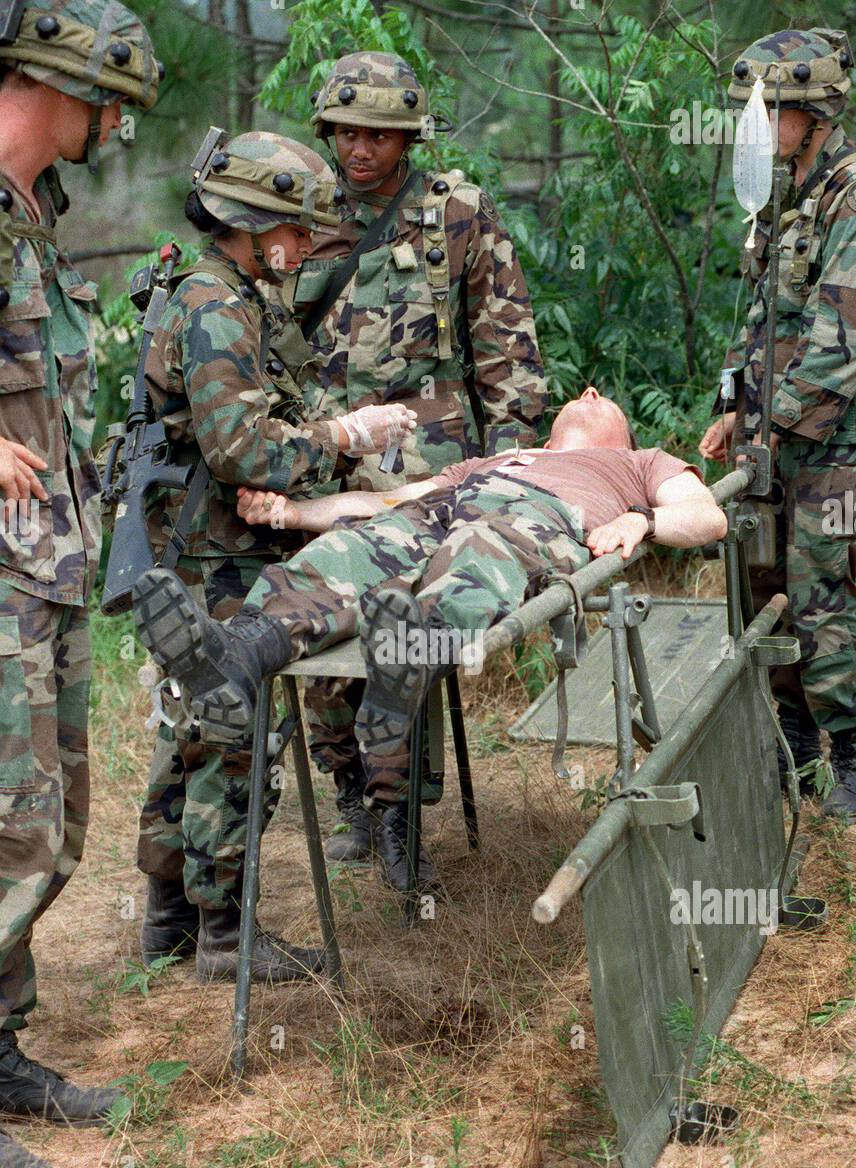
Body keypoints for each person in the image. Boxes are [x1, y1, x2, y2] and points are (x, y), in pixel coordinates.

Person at [130, 389, 727, 879]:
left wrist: (639, 519)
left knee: (476, 558)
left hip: (530, 521)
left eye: (604, 399)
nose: (591, 391)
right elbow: (390, 498)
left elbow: (708, 516)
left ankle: (410, 654)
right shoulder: (499, 458)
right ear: (547, 439)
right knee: (344, 552)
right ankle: (237, 654)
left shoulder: (639, 463)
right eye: (582, 393)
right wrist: (289, 514)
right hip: (435, 512)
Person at [132, 129, 416, 981]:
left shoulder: (232, 292)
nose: (302, 248)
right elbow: (242, 452)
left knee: (191, 729)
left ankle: (170, 922)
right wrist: (341, 435)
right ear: (247, 222)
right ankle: (224, 934)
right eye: (290, 230)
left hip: (208, 545)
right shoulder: (216, 306)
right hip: (215, 557)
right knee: (230, 732)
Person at [292, 50, 549, 876]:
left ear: (408, 137)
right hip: (323, 457)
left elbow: (505, 347)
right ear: (325, 130)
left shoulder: (455, 215)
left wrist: (514, 466)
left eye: (379, 134)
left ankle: (397, 809)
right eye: (346, 132)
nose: (360, 149)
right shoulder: (293, 209)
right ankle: (348, 796)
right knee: (322, 632)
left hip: (428, 461)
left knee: (406, 636)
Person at [0, 0, 160, 1168]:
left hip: (40, 564)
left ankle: (1, 1047)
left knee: (49, 829)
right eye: (110, 101)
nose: (116, 126)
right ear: (59, 84)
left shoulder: (29, 213)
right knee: (5, 829)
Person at [700, 28, 856, 819]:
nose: (754, 128)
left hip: (835, 448)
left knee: (824, 592)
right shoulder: (783, 196)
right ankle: (791, 750)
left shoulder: (852, 194)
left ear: (814, 111)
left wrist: (779, 427)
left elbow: (842, 338)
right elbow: (759, 316)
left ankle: (853, 760)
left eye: (772, 112)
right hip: (771, 443)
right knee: (768, 591)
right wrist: (732, 406)